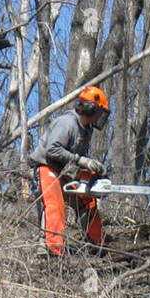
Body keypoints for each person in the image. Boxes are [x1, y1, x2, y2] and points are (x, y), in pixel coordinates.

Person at [27, 85, 110, 256]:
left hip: (63, 171)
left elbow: (75, 159)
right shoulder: (68, 123)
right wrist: (81, 160)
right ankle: (50, 249)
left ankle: (96, 244)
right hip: (45, 167)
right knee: (55, 204)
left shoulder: (85, 130)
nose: (99, 117)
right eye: (99, 112)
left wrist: (94, 172)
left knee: (87, 199)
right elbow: (53, 149)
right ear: (90, 109)